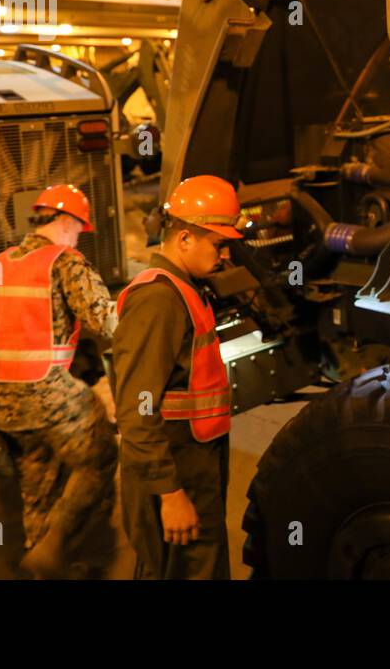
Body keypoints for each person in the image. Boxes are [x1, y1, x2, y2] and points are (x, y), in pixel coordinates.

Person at [0, 183, 118, 577]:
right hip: (47, 394)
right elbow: (104, 320)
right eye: (77, 229)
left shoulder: (3, 261)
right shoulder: (64, 262)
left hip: (1, 404)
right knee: (101, 455)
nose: (78, 238)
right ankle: (54, 545)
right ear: (64, 221)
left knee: (37, 482)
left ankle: (42, 562)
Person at [112, 174, 240, 579]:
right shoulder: (158, 300)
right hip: (173, 472)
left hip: (193, 464)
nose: (225, 256)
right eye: (219, 244)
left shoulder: (187, 289)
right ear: (184, 239)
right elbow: (135, 410)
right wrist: (169, 493)